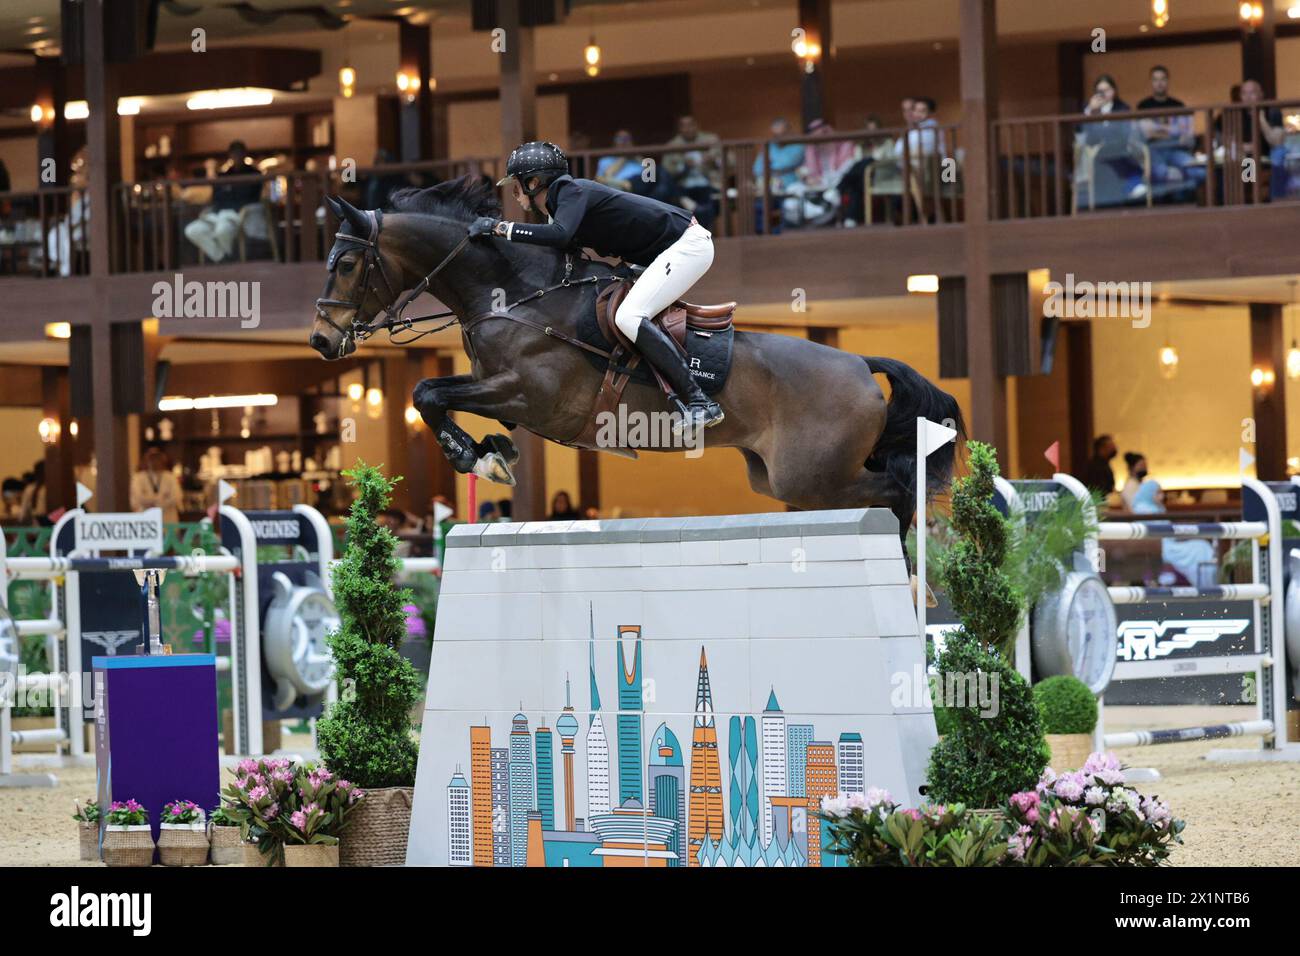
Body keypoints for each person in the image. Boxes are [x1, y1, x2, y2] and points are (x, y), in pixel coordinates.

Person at [470, 141, 724, 434]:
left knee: (629, 316)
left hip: (687, 246)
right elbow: (555, 255)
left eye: (516, 187)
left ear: (533, 182)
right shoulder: (561, 207)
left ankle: (700, 402)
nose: (515, 195)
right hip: (659, 253)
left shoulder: (570, 191)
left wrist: (500, 228)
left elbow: (559, 236)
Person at [183, 140, 263, 262]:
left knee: (222, 230)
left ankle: (226, 261)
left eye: (239, 153)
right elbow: (216, 198)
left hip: (237, 214)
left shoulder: (254, 174)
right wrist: (211, 209)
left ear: (245, 154)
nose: (237, 156)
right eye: (234, 153)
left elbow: (252, 198)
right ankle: (223, 258)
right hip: (215, 215)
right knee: (192, 230)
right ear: (230, 155)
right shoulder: (223, 176)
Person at [1136, 66, 1201, 201]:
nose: (1159, 83)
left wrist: (1156, 129)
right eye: (1155, 79)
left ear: (1168, 81)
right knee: (1161, 174)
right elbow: (1145, 133)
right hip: (1153, 150)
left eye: (1163, 79)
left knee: (1198, 171)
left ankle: (1184, 206)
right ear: (1151, 82)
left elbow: (1186, 135)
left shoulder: (1178, 105)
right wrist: (1173, 130)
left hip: (1176, 149)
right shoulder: (1143, 106)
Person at [1131, 479, 1215, 585]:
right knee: (1199, 548)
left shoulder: (1158, 508)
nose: (1161, 496)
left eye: (1161, 493)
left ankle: (1207, 584)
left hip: (1169, 543)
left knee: (1202, 546)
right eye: (1158, 493)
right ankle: (1205, 585)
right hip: (1160, 547)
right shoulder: (1142, 510)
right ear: (1149, 493)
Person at [1080, 75, 1144, 203]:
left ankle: (1130, 187)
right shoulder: (1089, 109)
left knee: (1121, 158)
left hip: (1120, 148)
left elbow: (1124, 133)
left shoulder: (1123, 108)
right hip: (1097, 151)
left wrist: (1104, 133)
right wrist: (1090, 111)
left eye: (1107, 90)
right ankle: (1131, 186)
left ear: (1114, 91)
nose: (1104, 94)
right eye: (1100, 91)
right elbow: (1087, 137)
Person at [662, 116, 721, 229]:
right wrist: (683, 166)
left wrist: (713, 160)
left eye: (691, 125)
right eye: (684, 126)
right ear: (679, 129)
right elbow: (666, 171)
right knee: (678, 202)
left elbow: (729, 161)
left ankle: (706, 233)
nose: (688, 129)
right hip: (683, 187)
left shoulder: (711, 139)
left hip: (709, 184)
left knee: (709, 203)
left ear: (697, 126)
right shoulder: (672, 145)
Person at [130, 447, 182, 524]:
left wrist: (154, 502)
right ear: (146, 461)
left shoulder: (170, 477)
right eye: (151, 459)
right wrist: (162, 498)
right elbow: (138, 497)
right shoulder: (138, 477)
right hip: (145, 520)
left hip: (167, 520)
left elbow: (176, 497)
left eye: (157, 459)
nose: (155, 462)